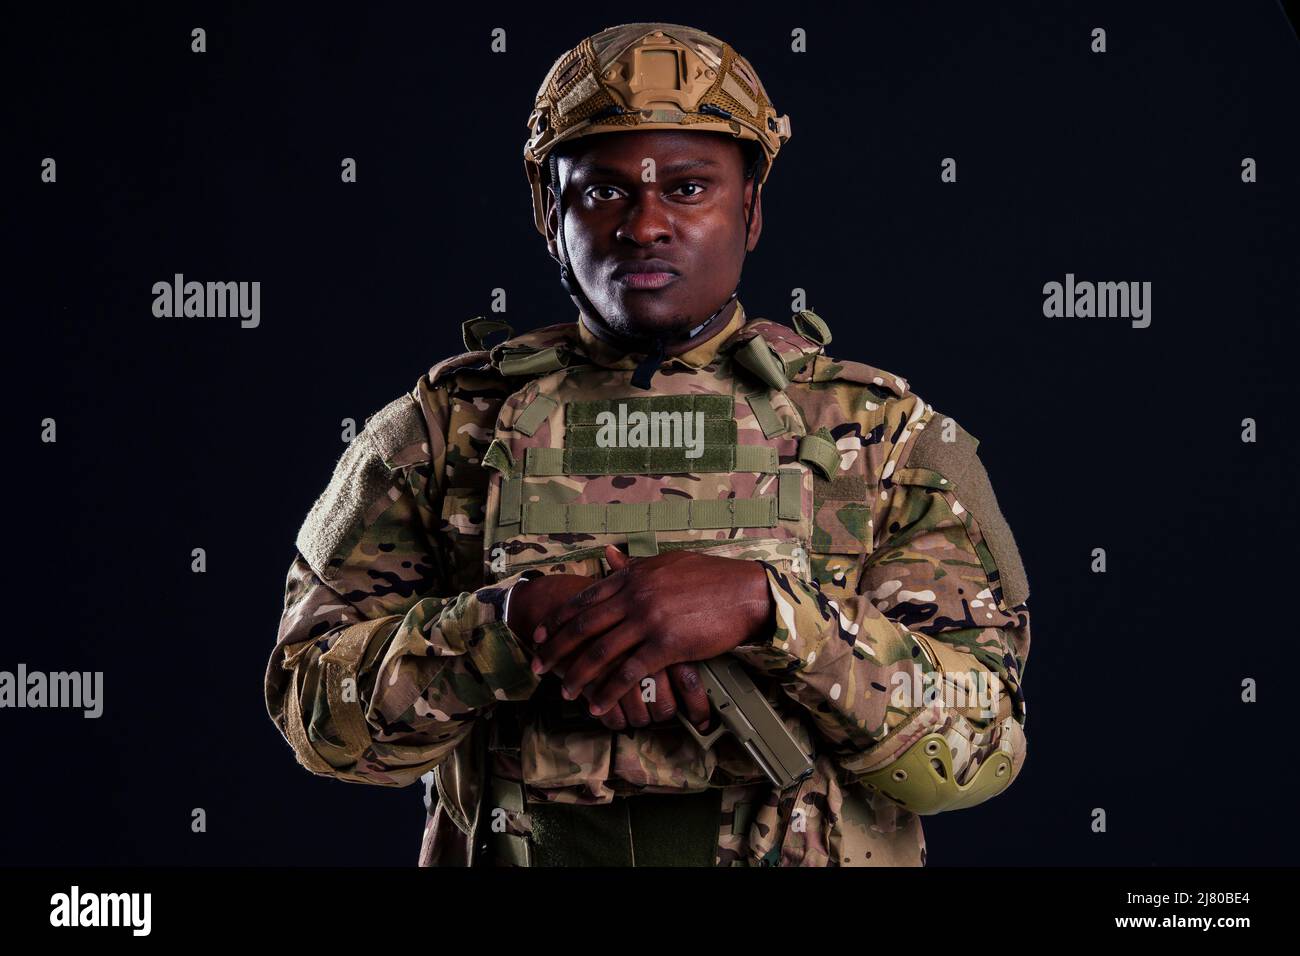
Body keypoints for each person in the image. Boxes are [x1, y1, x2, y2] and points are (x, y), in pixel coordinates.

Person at [264, 21, 1031, 867]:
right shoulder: (441, 431)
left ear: (751, 207)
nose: (646, 225)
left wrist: (774, 614)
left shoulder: (882, 438)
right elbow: (312, 714)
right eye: (604, 191)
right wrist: (507, 626)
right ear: (549, 212)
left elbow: (979, 743)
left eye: (690, 188)